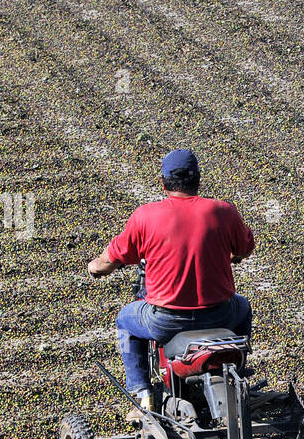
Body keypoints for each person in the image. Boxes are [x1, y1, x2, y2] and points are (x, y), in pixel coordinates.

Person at [87, 150, 255, 418]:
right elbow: (246, 248)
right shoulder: (224, 211)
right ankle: (237, 368)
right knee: (243, 306)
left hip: (166, 320)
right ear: (198, 180)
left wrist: (95, 267)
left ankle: (143, 396)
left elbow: (110, 259)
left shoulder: (145, 216)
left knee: (125, 320)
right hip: (220, 314)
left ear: (163, 183)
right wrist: (232, 256)